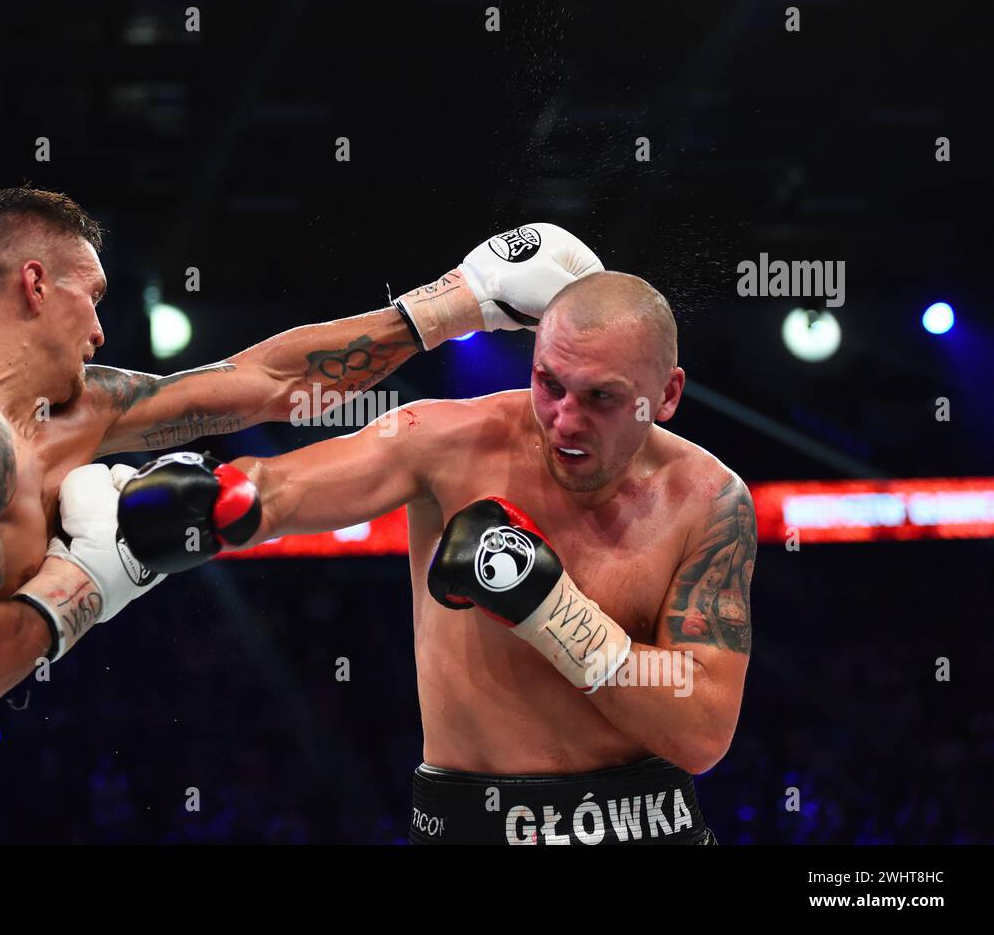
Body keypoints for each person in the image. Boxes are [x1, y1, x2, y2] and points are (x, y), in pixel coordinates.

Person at [0, 187, 595, 844]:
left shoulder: (72, 416)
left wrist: (456, 301)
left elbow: (267, 383)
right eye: (92, 296)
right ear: (34, 283)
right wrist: (89, 580)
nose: (99, 329)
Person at [118, 269, 754, 845]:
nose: (563, 420)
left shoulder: (707, 500)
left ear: (666, 395)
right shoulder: (446, 442)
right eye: (549, 384)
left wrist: (553, 613)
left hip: (646, 826)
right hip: (464, 825)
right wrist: (218, 502)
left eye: (601, 398)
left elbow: (700, 732)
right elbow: (280, 492)